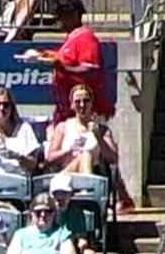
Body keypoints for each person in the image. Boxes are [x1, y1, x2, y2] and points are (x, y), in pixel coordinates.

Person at [15, 0, 112, 127]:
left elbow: (90, 69)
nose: (59, 21)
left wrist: (61, 66)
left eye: (62, 16)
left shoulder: (86, 38)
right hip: (67, 113)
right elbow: (61, 57)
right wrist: (40, 55)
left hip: (87, 114)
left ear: (74, 15)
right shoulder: (71, 38)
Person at [44, 83, 135, 214]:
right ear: (72, 105)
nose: (82, 105)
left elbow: (113, 158)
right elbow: (49, 158)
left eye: (86, 101)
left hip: (95, 173)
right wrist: (67, 151)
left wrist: (98, 136)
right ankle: (87, 193)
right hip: (66, 175)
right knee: (84, 155)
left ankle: (86, 190)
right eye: (77, 101)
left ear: (91, 103)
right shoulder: (63, 128)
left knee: (86, 155)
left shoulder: (102, 130)